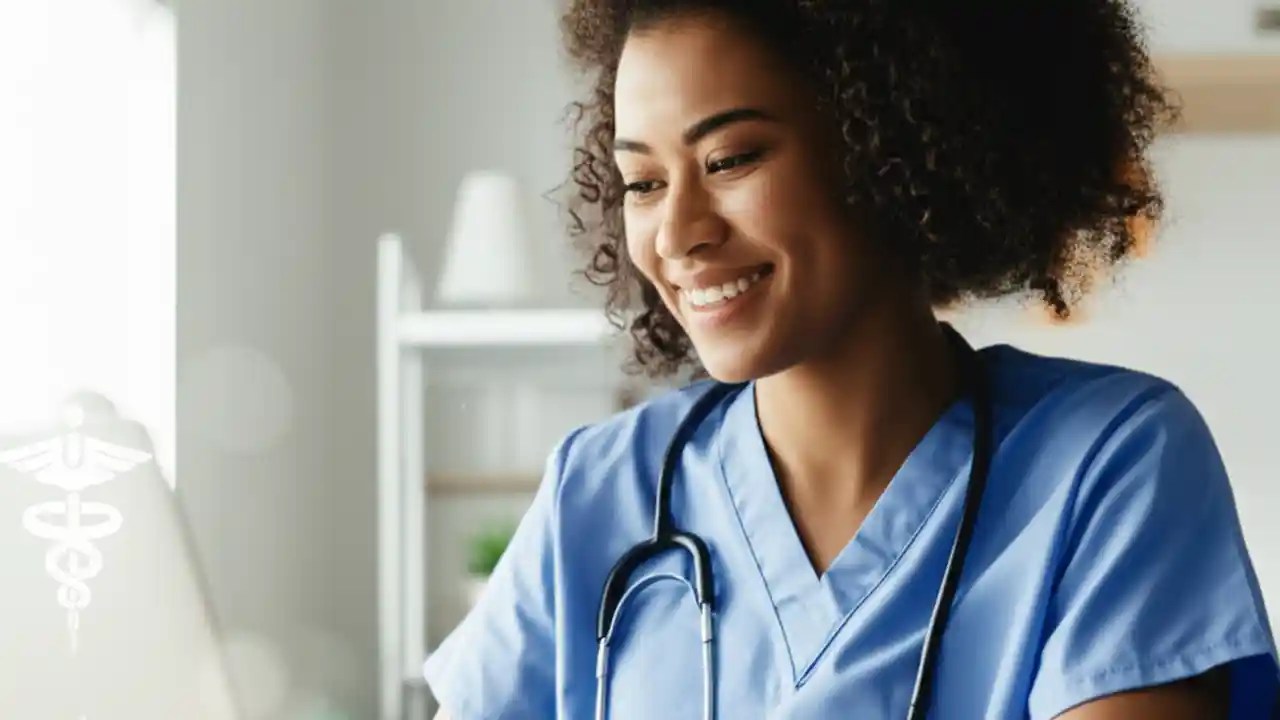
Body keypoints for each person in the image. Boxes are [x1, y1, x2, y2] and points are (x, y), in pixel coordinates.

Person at [424, 0, 1280, 717]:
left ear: (892, 144)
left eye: (730, 159)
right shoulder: (598, 491)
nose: (678, 232)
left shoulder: (1109, 463)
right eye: (643, 182)